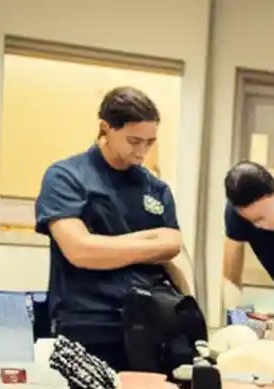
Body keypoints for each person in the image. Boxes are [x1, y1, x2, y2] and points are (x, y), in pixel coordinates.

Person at [34, 86, 190, 370]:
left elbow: (173, 248)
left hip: (151, 325)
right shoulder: (67, 177)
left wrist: (191, 310)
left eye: (150, 142)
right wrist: (152, 244)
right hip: (88, 325)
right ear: (106, 128)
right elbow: (80, 251)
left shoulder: (155, 188)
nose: (142, 151)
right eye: (133, 141)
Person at [222, 161, 274, 304]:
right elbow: (230, 277)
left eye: (262, 217)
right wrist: (234, 313)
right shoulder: (236, 214)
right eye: (253, 221)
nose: (261, 226)